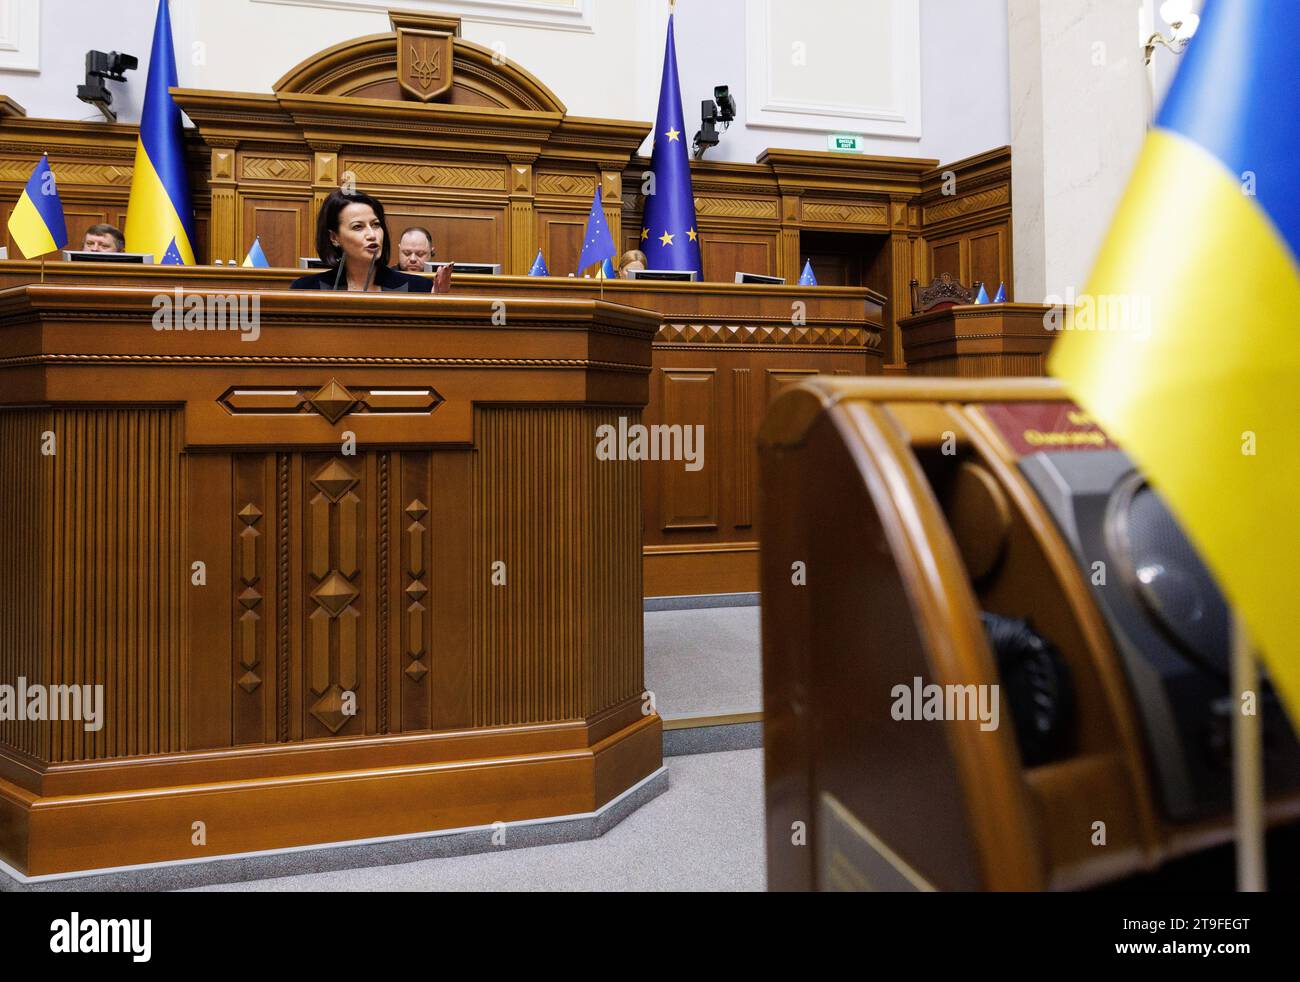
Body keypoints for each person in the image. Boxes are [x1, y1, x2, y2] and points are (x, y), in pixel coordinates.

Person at [291, 189, 442, 293]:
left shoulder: (420, 287)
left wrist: (438, 307)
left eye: (376, 225)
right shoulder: (305, 288)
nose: (372, 234)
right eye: (358, 227)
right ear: (334, 238)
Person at [394, 225, 453, 292]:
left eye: (420, 254)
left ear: (431, 252)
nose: (413, 259)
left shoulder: (440, 279)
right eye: (407, 253)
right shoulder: (386, 277)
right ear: (399, 250)